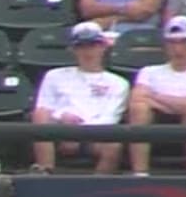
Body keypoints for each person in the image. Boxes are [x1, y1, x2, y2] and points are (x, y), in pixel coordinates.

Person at [29, 21, 131, 174]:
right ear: (73, 49)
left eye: (93, 45)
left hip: (97, 134)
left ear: (103, 47)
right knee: (40, 115)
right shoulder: (54, 76)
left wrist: (80, 131)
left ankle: (99, 186)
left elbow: (111, 117)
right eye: (81, 46)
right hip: (60, 131)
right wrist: (62, 117)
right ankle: (45, 172)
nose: (87, 51)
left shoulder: (118, 83)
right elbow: (43, 107)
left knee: (113, 145)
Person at [127, 16, 186, 175]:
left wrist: (155, 97)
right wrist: (181, 104)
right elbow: (137, 97)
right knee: (139, 108)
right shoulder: (149, 71)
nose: (178, 49)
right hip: (155, 119)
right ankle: (140, 172)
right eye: (172, 43)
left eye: (184, 42)